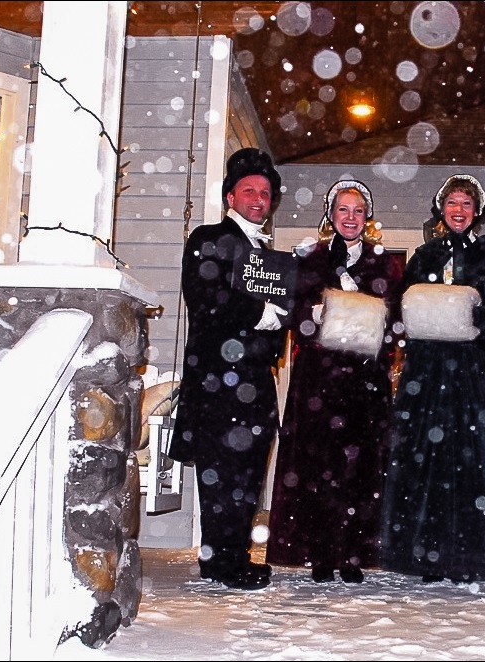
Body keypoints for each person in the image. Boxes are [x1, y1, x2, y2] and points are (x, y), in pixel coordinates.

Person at [380, 174, 485, 584]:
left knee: (477, 460)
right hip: (429, 373)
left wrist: (474, 321)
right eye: (452, 203)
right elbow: (403, 308)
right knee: (428, 459)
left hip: (473, 372)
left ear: (477, 211)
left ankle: (478, 552)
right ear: (441, 209)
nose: (459, 211)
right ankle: (427, 553)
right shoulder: (423, 256)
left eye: (466, 204)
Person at [266, 180, 404, 584]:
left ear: (367, 217)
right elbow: (294, 314)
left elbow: (395, 322)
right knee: (319, 465)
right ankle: (319, 552)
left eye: (358, 211)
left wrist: (375, 323)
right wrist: (316, 315)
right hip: (319, 382)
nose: (350, 217)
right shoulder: (312, 259)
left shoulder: (383, 264)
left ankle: (354, 554)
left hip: (365, 381)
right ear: (331, 214)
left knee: (360, 466)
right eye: (343, 209)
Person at [167, 147, 290, 590]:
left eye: (265, 193)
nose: (258, 199)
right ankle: (221, 562)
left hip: (254, 380)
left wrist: (281, 319)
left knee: (249, 472)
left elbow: (277, 318)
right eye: (249, 191)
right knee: (222, 474)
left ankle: (235, 555)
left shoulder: (266, 254)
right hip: (219, 380)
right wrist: (261, 313)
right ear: (230, 197)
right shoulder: (209, 238)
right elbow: (207, 296)